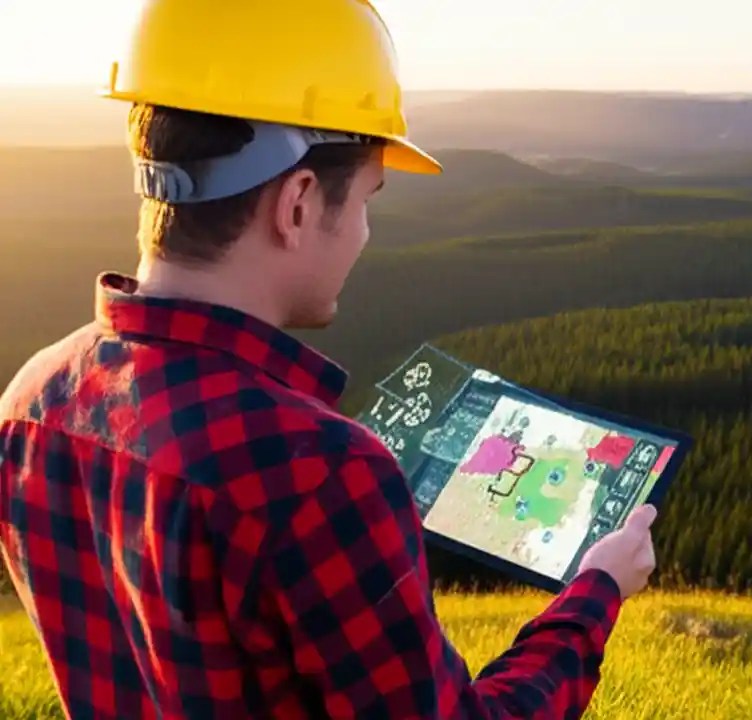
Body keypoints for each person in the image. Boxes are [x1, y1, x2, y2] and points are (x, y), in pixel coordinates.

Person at [0, 1, 658, 718]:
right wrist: (595, 594)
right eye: (370, 198)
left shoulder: (30, 403)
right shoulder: (323, 476)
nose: (366, 232)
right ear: (300, 203)